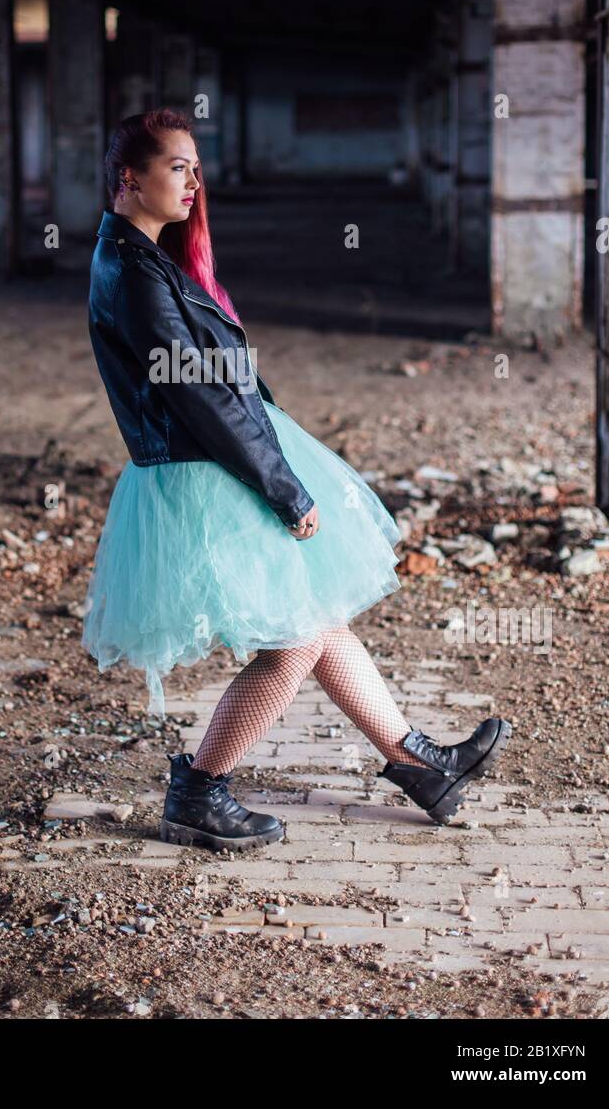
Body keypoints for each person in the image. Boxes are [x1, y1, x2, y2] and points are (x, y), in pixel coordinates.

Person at [82, 108, 511, 851]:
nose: (192, 181)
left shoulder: (146, 260)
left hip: (218, 456)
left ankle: (420, 764)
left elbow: (219, 381)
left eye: (194, 166)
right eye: (177, 166)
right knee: (293, 638)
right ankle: (197, 791)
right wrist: (285, 487)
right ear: (130, 177)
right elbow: (201, 395)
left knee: (313, 617)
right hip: (206, 471)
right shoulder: (133, 273)